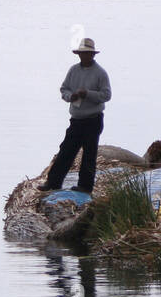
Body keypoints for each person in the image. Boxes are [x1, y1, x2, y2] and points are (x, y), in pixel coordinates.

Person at [40, 38, 112, 193]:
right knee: (66, 150)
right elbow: (64, 89)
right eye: (82, 54)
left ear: (93, 55)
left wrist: (88, 94)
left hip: (93, 120)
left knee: (89, 154)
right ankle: (53, 183)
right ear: (79, 55)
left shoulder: (100, 73)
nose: (85, 56)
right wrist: (70, 96)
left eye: (88, 54)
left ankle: (85, 186)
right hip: (76, 120)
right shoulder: (73, 70)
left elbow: (106, 95)